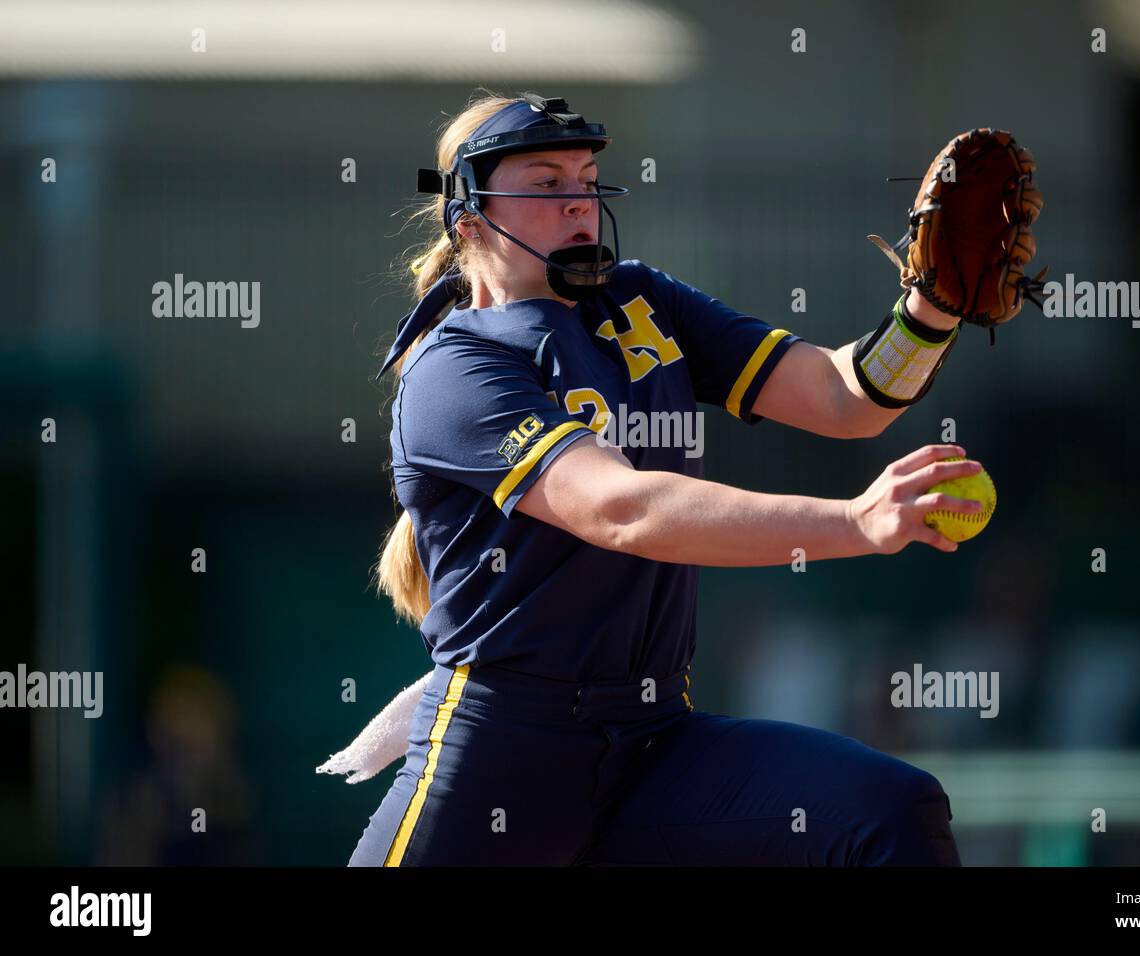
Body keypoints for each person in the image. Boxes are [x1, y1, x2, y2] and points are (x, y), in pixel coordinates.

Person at [338, 90, 985, 866]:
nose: (578, 201)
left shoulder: (641, 301)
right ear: (468, 217)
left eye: (584, 177)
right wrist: (853, 522)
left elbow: (844, 395)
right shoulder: (456, 367)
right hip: (505, 759)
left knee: (889, 812)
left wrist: (932, 310)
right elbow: (622, 508)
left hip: (652, 743)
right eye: (546, 184)